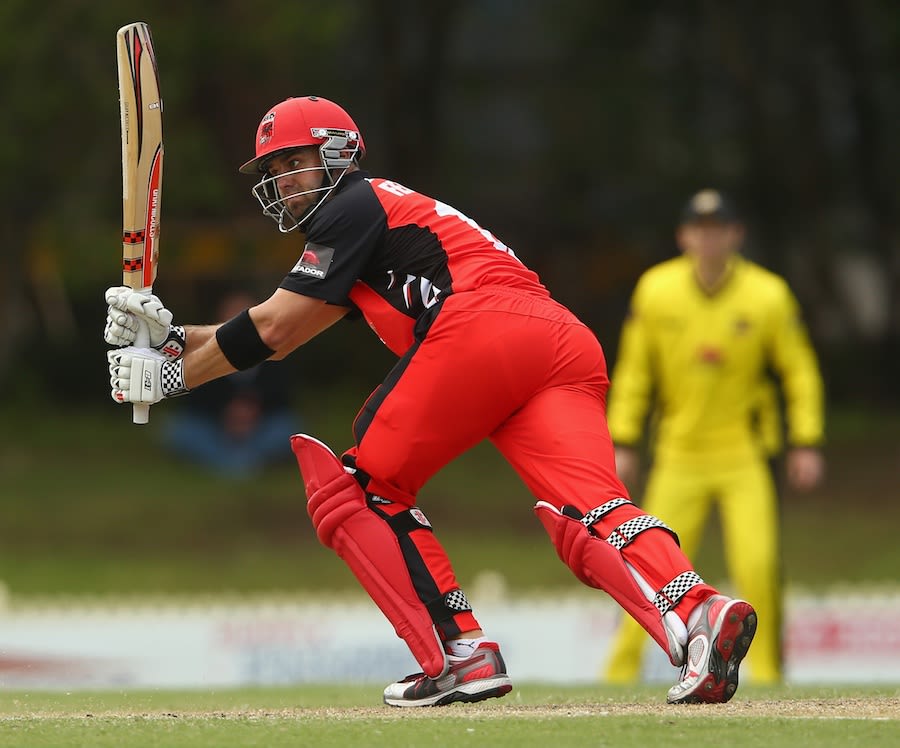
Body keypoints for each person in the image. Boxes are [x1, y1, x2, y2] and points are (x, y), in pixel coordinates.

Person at [103, 96, 756, 707]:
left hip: (483, 328)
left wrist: (168, 381)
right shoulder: (370, 227)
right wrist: (169, 339)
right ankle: (700, 614)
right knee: (585, 515)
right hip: (556, 343)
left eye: (294, 163)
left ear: (338, 154)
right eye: (274, 169)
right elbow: (280, 335)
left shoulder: (351, 206)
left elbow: (270, 328)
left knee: (359, 489)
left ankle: (460, 652)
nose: (284, 180)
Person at [603, 189, 824, 686]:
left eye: (717, 229)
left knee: (758, 561)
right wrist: (624, 441)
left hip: (742, 452)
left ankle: (767, 675)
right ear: (684, 236)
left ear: (735, 235)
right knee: (647, 568)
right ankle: (618, 672)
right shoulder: (656, 289)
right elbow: (635, 372)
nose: (708, 239)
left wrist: (806, 440)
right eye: (698, 230)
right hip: (680, 451)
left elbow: (799, 370)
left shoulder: (767, 294)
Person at [161, 290, 300, 477]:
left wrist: (251, 412)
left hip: (260, 425)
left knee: (285, 428)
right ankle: (233, 464)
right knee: (183, 429)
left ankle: (240, 462)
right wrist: (227, 413)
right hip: (215, 425)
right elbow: (192, 398)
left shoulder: (274, 353)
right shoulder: (204, 354)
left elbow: (282, 398)